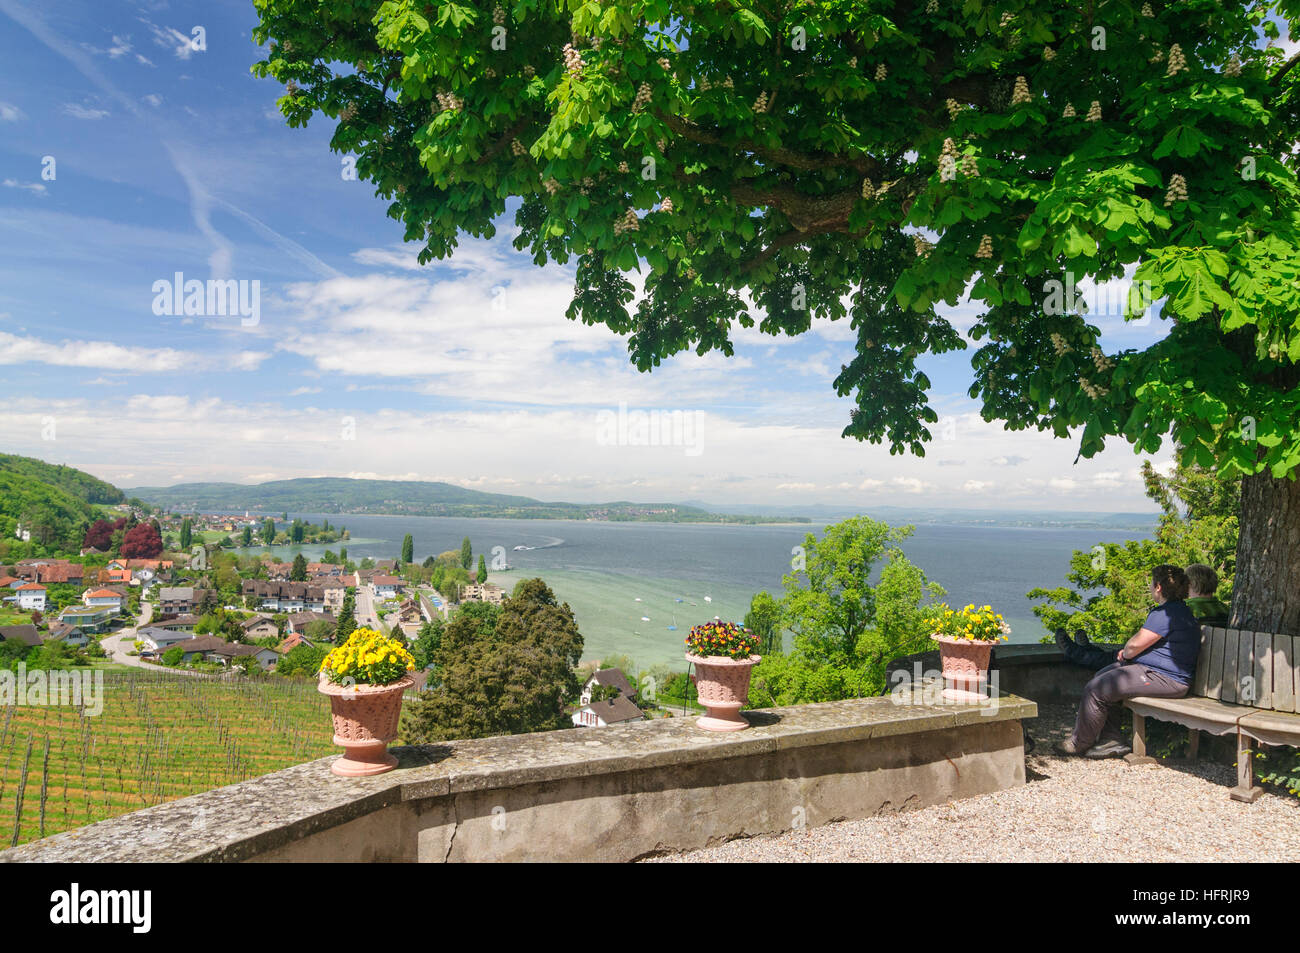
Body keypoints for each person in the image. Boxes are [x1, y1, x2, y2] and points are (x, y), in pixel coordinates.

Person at [1055, 565, 1202, 759]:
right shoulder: (1179, 610)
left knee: (1096, 688)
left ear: (1158, 587)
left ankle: (1079, 742)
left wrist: (1126, 653)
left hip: (1166, 678)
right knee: (1103, 677)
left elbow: (1134, 646)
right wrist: (1127, 654)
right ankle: (1111, 739)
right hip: (1157, 672)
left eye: (1151, 584)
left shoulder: (1166, 614)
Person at [1053, 561, 1228, 671]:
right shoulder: (1224, 610)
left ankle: (1075, 652)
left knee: (1117, 655)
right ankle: (1086, 649)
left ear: (1189, 585)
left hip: (1172, 665)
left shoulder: (1182, 611)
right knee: (1115, 654)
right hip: (1201, 666)